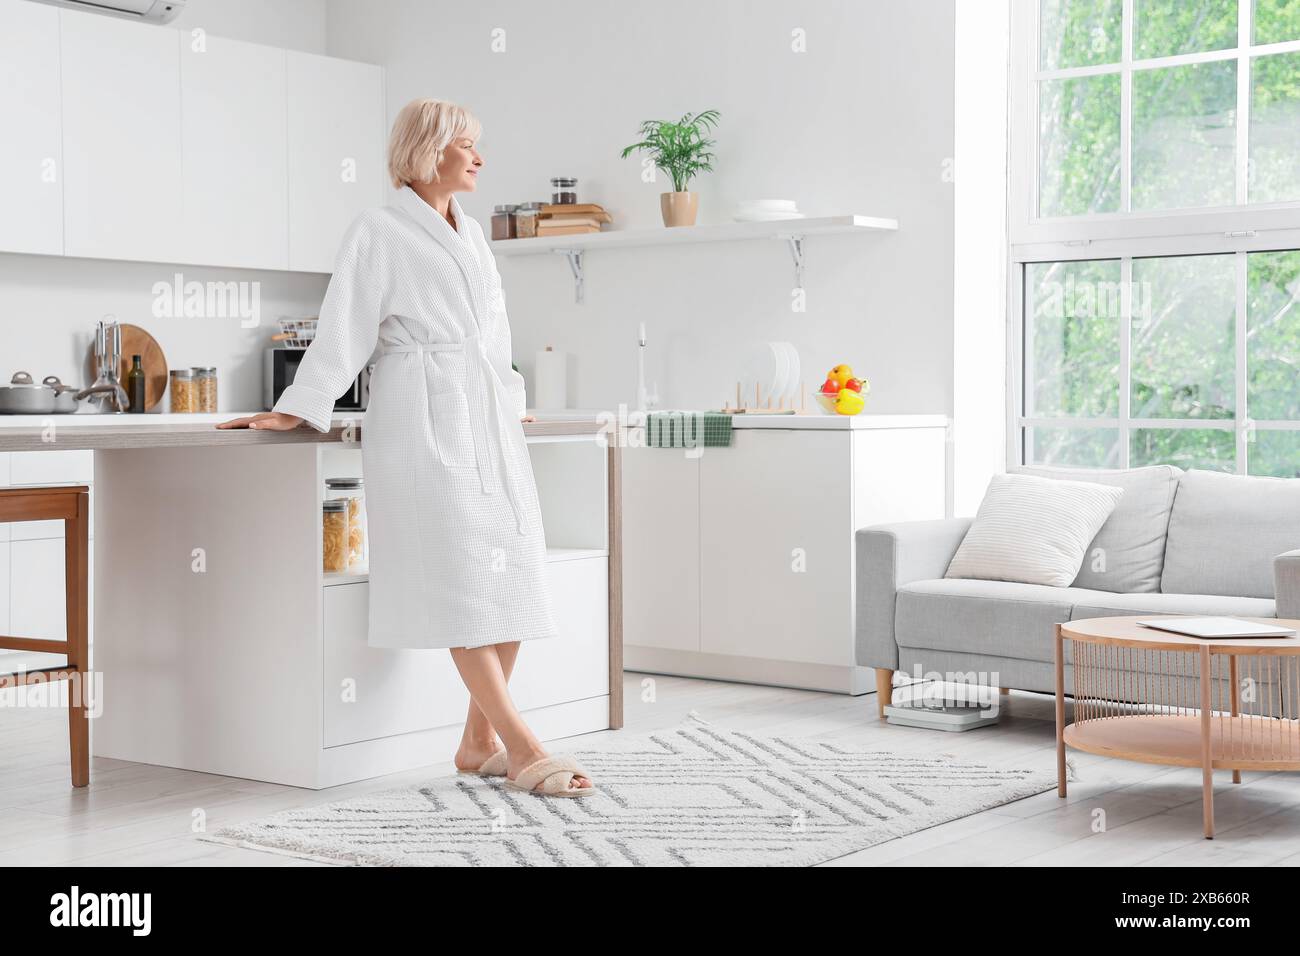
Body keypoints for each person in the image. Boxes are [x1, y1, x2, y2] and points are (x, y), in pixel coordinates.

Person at [219, 98, 594, 797]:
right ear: (428, 150)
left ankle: (475, 741)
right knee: (459, 581)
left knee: (508, 572)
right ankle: (522, 746)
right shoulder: (379, 231)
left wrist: (510, 404)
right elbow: (344, 328)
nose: (479, 157)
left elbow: (496, 336)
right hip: (420, 424)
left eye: (479, 145)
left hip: (483, 416)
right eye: (466, 145)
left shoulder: (474, 234)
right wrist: (297, 406)